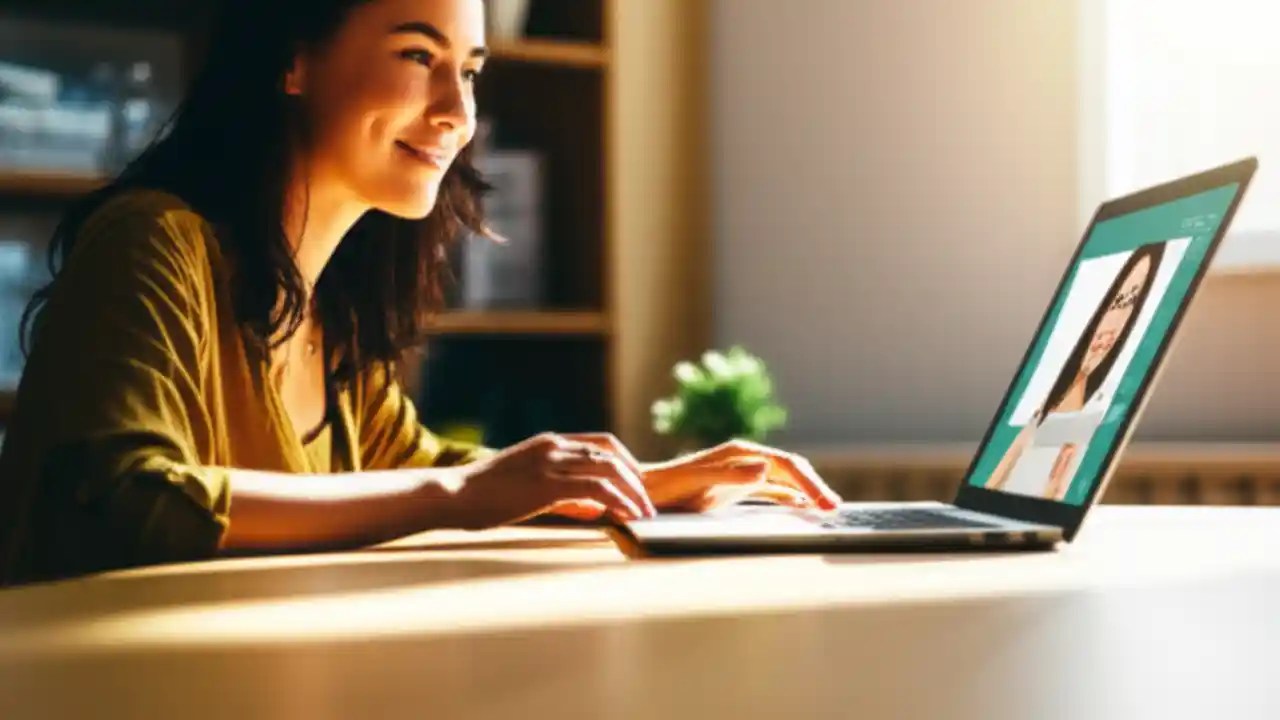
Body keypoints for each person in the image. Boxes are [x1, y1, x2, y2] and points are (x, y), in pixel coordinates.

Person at [0, 0, 840, 586]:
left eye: (468, 71)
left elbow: (416, 468)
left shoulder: (333, 306)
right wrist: (459, 496)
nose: (456, 113)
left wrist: (637, 483)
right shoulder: (154, 243)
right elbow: (113, 499)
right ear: (293, 60)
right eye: (417, 56)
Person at [985, 242, 1165, 499]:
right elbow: (1004, 469)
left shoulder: (1093, 409)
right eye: (1119, 302)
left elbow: (1056, 487)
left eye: (1129, 304)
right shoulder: (1049, 401)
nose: (1110, 329)